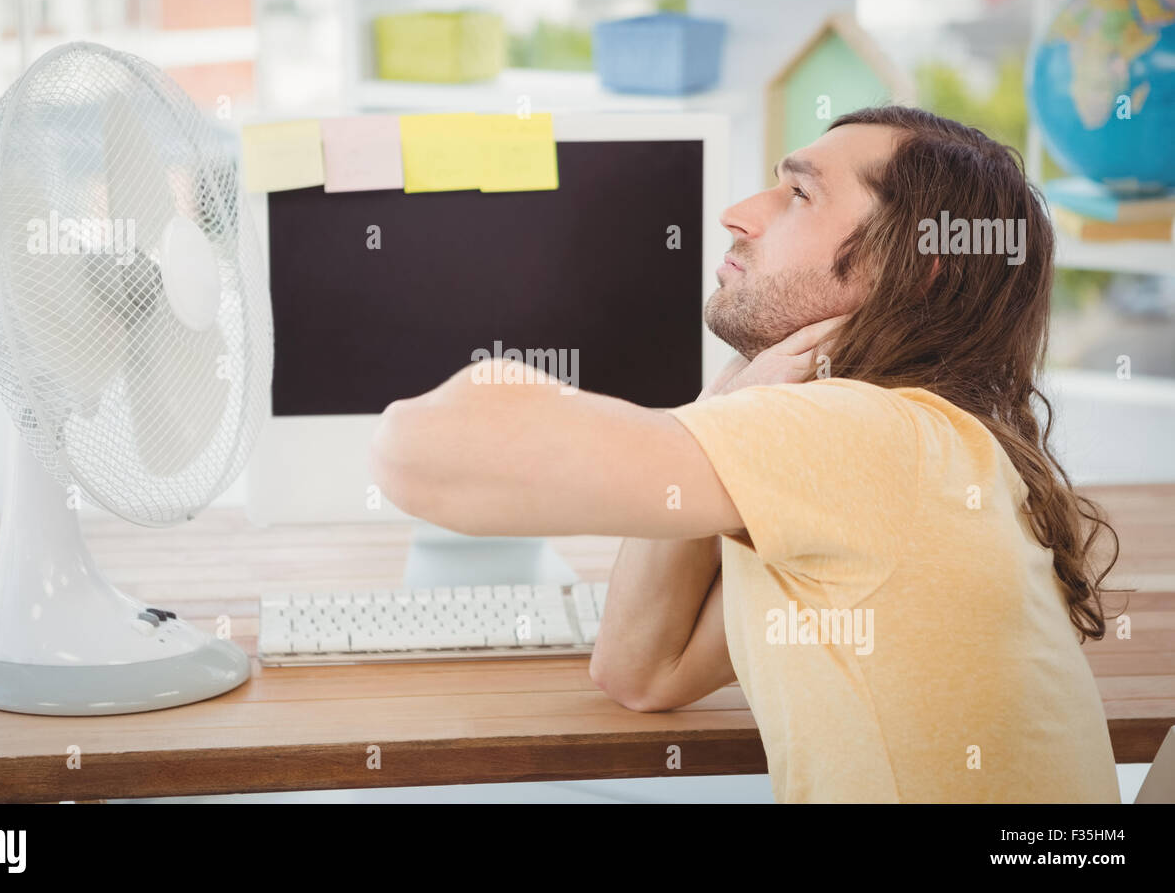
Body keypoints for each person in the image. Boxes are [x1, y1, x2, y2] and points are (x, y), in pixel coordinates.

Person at [368, 106, 1122, 803]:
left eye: (799, 195)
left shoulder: (865, 435)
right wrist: (730, 398)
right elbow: (641, 670)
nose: (737, 216)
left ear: (917, 266)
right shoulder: (924, 444)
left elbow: (414, 450)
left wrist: (727, 408)